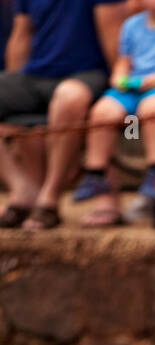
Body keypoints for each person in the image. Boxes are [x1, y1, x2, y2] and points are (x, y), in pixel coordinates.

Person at [72, 0, 155, 226]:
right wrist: (118, 78)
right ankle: (96, 172)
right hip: (136, 88)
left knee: (152, 108)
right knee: (102, 111)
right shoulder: (132, 25)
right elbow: (124, 61)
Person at [0, 0, 126, 229]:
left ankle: (50, 196)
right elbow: (21, 37)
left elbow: (114, 40)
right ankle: (23, 190)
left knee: (69, 97)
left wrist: (122, 92)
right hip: (36, 75)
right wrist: (11, 85)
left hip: (89, 74)